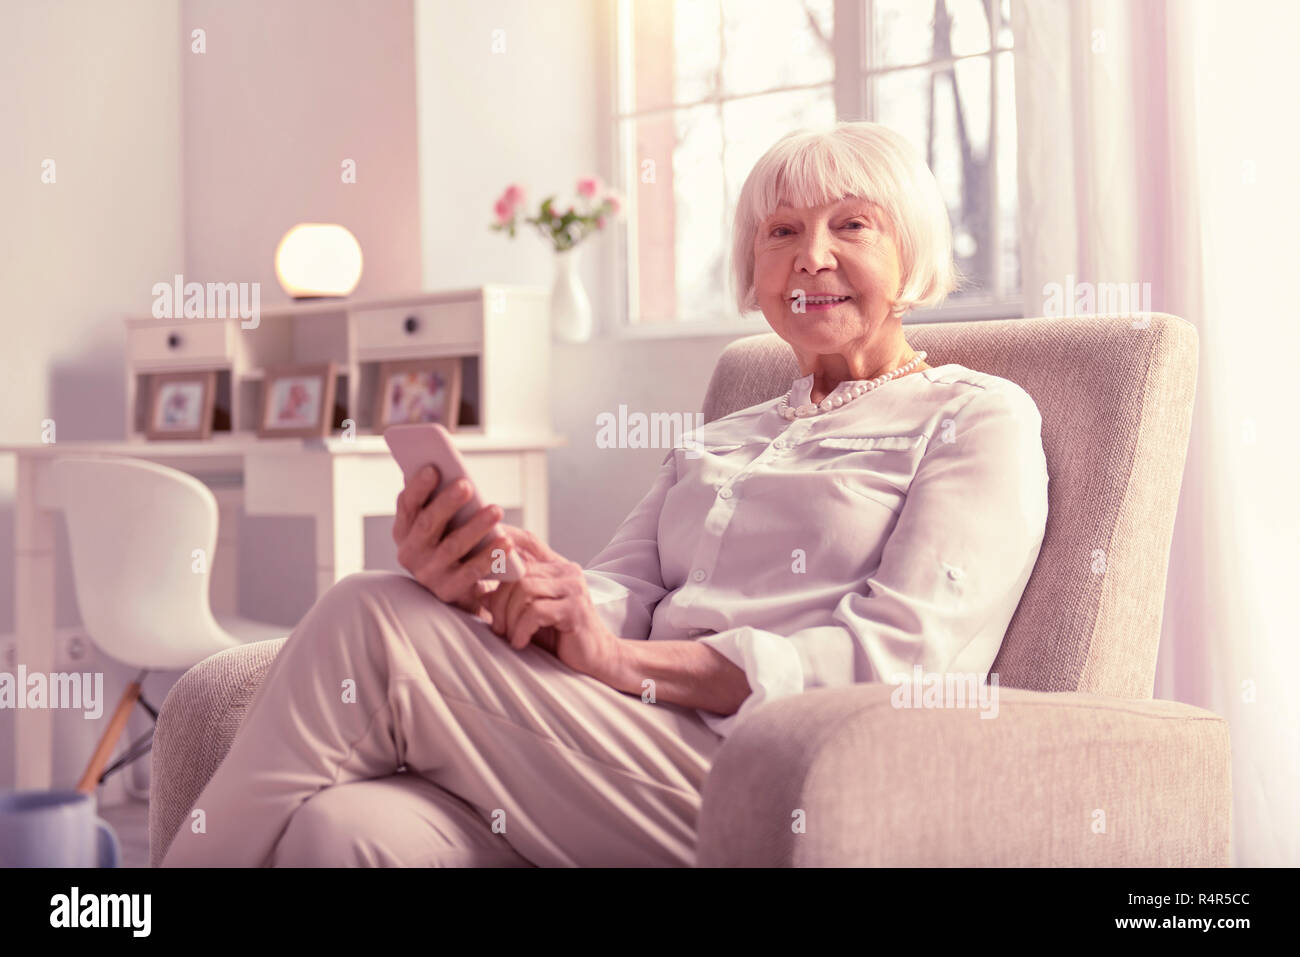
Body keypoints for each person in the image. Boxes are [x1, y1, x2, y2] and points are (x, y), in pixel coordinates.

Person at [160, 120, 1048, 868]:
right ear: (755, 267)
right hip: (620, 744)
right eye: (781, 232)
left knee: (367, 613)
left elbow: (898, 666)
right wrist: (500, 586)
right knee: (345, 830)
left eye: (851, 225)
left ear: (912, 253)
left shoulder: (976, 417)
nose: (811, 255)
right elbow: (613, 598)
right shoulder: (721, 438)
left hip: (777, 775)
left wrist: (624, 665)